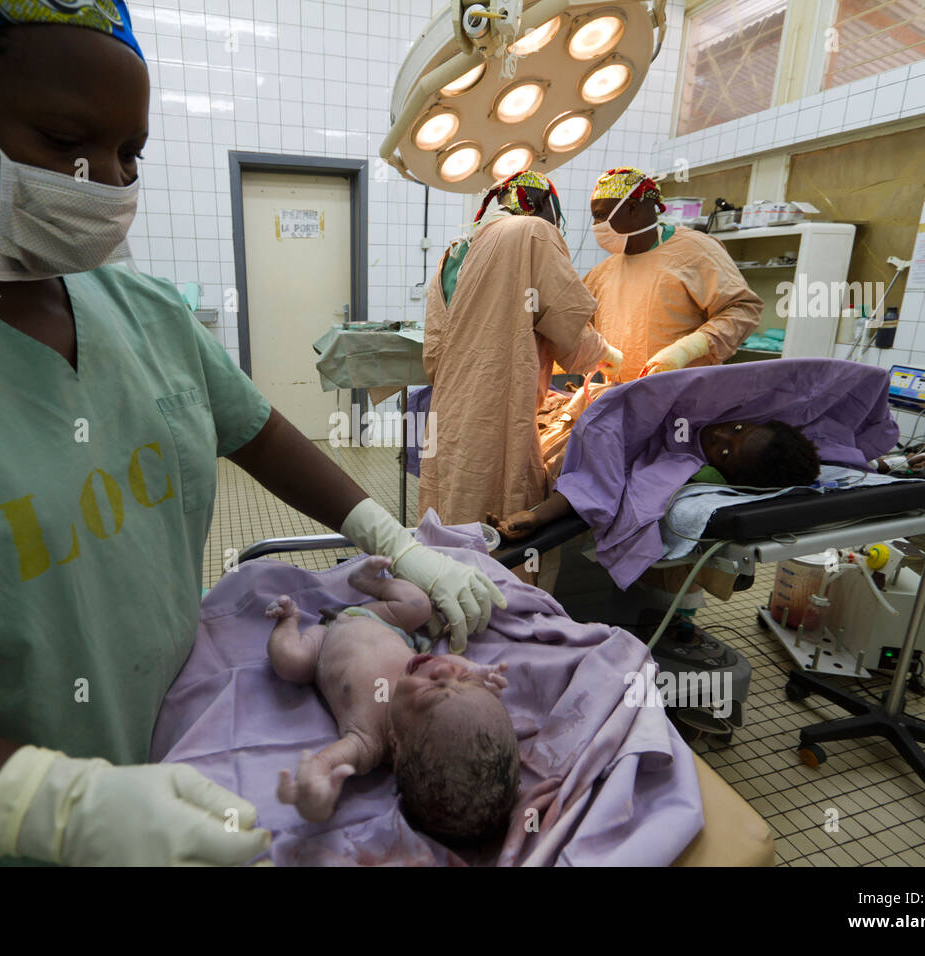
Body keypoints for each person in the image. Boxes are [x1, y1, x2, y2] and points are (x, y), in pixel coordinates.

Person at [0, 0, 504, 867]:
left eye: (128, 153)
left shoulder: (136, 309)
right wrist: (53, 806)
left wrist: (396, 542)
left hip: (182, 755)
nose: (103, 179)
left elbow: (255, 430)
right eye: (65, 141)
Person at [420, 170, 621, 580]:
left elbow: (435, 350)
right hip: (496, 414)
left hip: (450, 411)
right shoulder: (533, 232)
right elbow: (567, 331)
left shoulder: (459, 248)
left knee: (453, 512)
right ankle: (507, 621)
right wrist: (611, 356)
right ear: (544, 204)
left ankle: (448, 597)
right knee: (500, 513)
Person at [266, 556, 518, 843]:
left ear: (396, 746)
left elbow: (323, 765)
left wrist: (314, 792)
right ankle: (367, 582)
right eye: (464, 680)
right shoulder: (432, 673)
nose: (444, 668)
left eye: (433, 688)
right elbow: (449, 663)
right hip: (382, 620)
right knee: (419, 605)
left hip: (321, 645)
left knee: (289, 662)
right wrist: (476, 672)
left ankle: (289, 619)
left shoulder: (367, 741)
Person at [489, 419, 821, 541]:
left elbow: (609, 477)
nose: (717, 434)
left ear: (729, 476)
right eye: (736, 429)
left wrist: (537, 514)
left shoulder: (681, 466)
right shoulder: (720, 405)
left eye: (723, 452)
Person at [585, 167, 763, 382]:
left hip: (683, 394)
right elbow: (576, 324)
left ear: (632, 208)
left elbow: (743, 311)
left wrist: (687, 350)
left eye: (601, 216)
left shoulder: (695, 251)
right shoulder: (603, 272)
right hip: (620, 394)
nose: (596, 226)